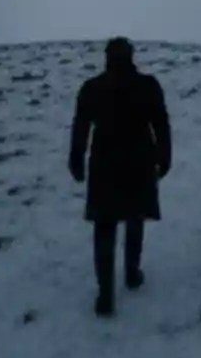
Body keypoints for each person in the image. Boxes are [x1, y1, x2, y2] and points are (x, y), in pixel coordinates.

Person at [68, 37, 172, 318]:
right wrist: (164, 157)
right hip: (139, 161)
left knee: (104, 227)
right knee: (135, 218)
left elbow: (80, 127)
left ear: (107, 58)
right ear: (131, 56)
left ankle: (105, 294)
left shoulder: (92, 88)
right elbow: (161, 124)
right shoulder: (148, 85)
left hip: (105, 163)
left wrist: (76, 159)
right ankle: (131, 273)